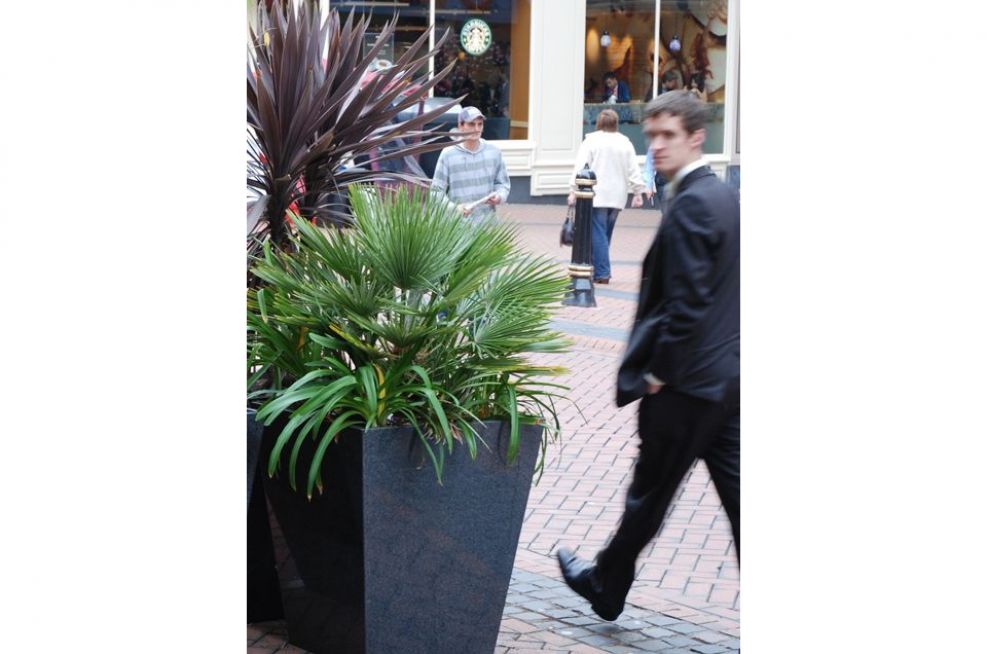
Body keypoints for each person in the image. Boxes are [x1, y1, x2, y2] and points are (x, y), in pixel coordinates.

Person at [556, 90, 740, 622]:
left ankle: (605, 584)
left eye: (667, 136)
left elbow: (686, 305)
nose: (654, 146)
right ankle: (606, 582)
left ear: (696, 138)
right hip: (727, 386)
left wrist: (658, 373)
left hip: (684, 389)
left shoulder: (692, 206)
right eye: (651, 134)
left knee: (649, 497)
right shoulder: (725, 197)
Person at [567, 109, 645, 284]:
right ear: (616, 123)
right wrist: (638, 192)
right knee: (604, 233)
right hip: (617, 196)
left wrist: (573, 189)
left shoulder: (591, 141)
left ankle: (602, 272)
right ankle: (597, 268)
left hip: (596, 195)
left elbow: (580, 166)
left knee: (598, 233)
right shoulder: (625, 142)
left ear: (599, 123)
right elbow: (633, 168)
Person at [430, 106, 510, 221]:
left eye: (480, 124)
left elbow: (503, 184)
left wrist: (499, 197)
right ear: (460, 126)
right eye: (471, 124)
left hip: (487, 227)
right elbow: (436, 192)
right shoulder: (448, 154)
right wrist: (454, 208)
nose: (477, 129)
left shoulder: (494, 152)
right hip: (459, 226)